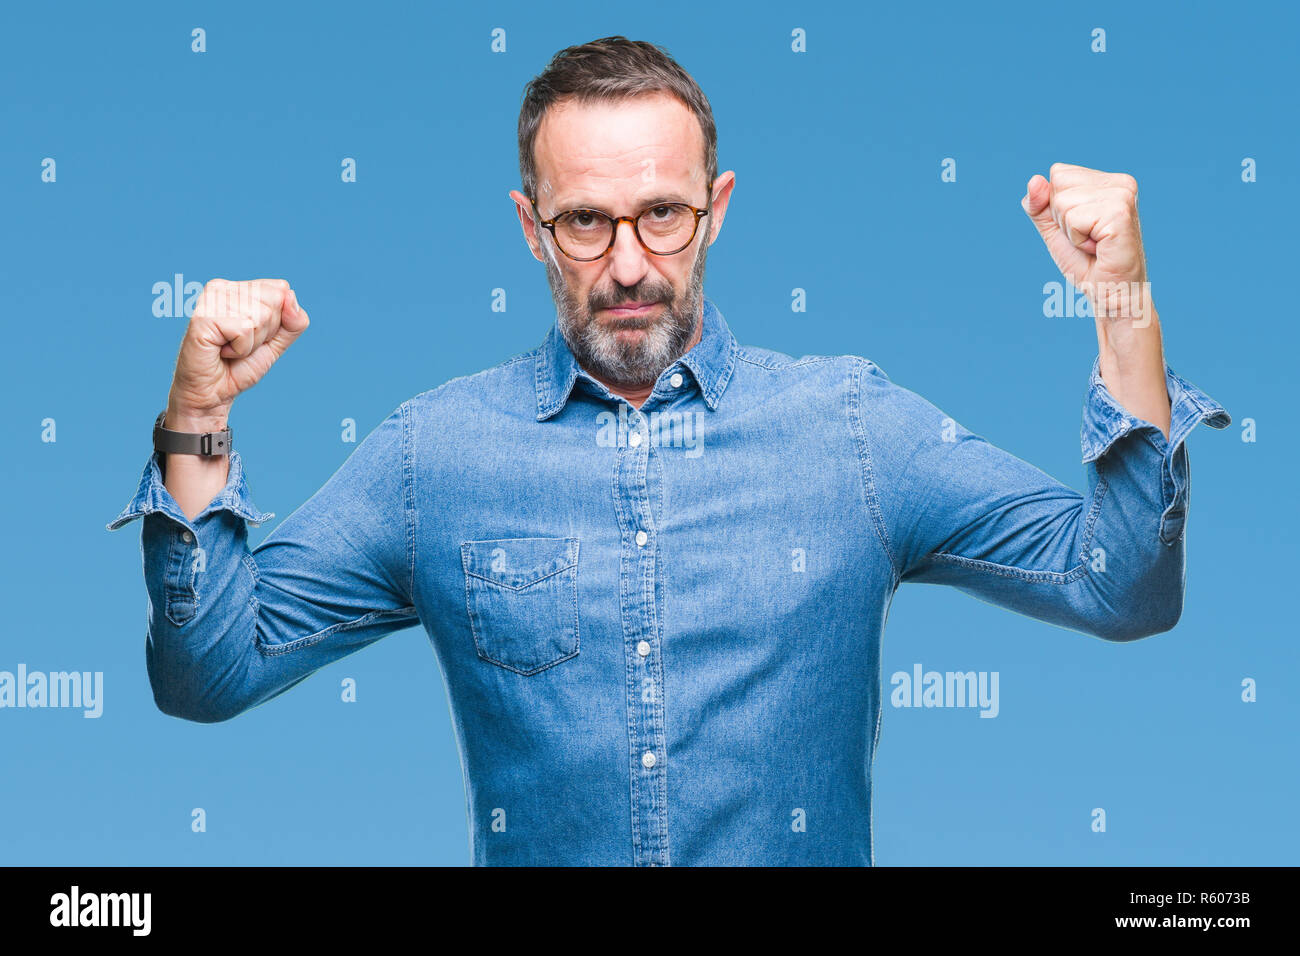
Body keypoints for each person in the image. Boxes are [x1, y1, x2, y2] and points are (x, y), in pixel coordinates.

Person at [107, 36, 1230, 866]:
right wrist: (196, 418)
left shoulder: (853, 429)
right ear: (528, 225)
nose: (629, 263)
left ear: (717, 206)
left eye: (663, 214)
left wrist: (1121, 304)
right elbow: (206, 672)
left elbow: (1119, 584)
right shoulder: (431, 459)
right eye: (585, 222)